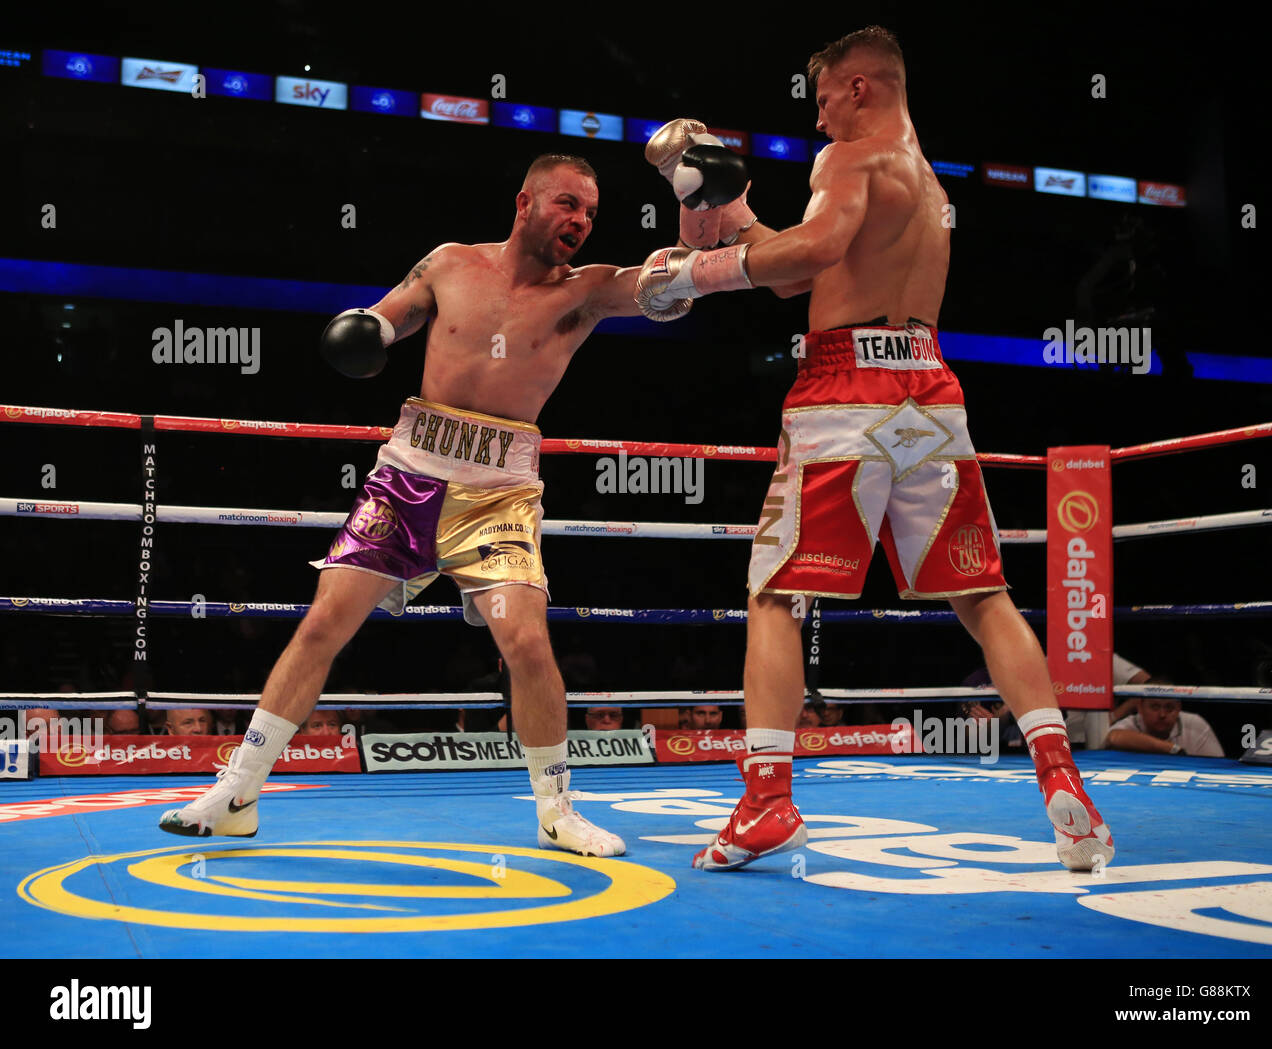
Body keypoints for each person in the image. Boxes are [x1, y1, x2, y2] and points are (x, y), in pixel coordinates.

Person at [636, 27, 1114, 873]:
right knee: (984, 596)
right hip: (930, 389)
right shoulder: (925, 182)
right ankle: (1063, 784)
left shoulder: (849, 159)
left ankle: (767, 801)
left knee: (777, 594)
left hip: (843, 393)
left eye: (822, 99)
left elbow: (814, 254)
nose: (817, 120)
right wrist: (736, 216)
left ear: (860, 88)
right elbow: (804, 269)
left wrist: (690, 274)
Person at [160, 154, 657, 857]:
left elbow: (675, 284)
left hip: (499, 495)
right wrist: (364, 330)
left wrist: (699, 201)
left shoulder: (588, 290)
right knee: (324, 622)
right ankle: (237, 792)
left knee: (526, 639)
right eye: (568, 204)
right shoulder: (451, 264)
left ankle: (556, 810)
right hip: (409, 473)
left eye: (591, 214)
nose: (580, 221)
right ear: (525, 202)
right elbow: (382, 318)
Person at [1106, 696, 1224, 757]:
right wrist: (1172, 749)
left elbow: (1218, 766)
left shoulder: (1194, 724)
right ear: (1140, 707)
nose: (1162, 715)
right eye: (1155, 707)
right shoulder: (1132, 722)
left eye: (1169, 707)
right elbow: (1113, 737)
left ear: (1178, 708)